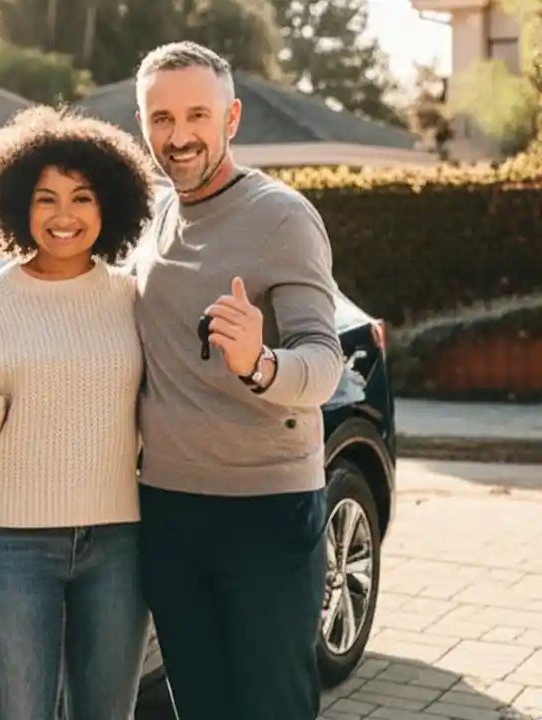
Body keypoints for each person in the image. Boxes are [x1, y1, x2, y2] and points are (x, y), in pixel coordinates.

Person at [128, 41, 343, 720]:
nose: (179, 135)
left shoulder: (282, 217)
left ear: (232, 119)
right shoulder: (156, 216)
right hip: (166, 509)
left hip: (264, 516)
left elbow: (326, 364)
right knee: (200, 704)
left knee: (271, 707)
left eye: (197, 114)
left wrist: (259, 362)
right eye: (160, 118)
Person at [0, 105, 156, 720]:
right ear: (16, 207)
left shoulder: (134, 298)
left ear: (109, 206)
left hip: (119, 543)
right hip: (9, 548)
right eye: (45, 198)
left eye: (81, 198)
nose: (64, 216)